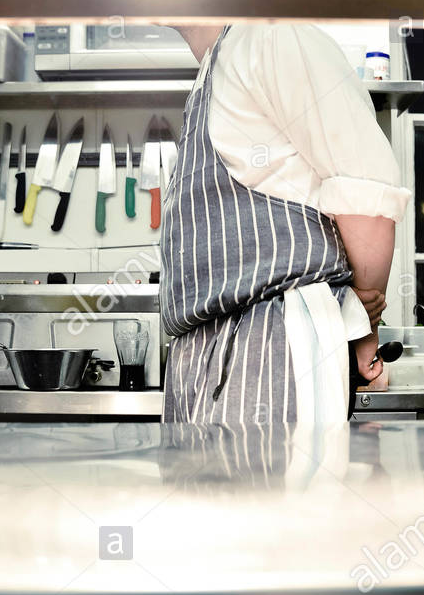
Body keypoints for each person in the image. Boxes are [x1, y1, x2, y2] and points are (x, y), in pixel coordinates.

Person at [160, 23, 410, 424]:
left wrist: (363, 330)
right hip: (197, 354)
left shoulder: (273, 35)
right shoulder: (212, 70)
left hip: (269, 344)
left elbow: (367, 197)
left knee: (274, 485)